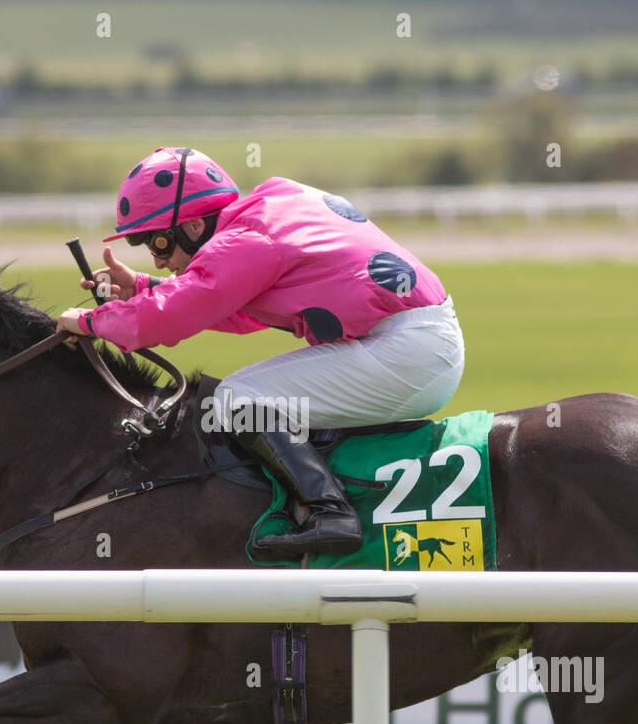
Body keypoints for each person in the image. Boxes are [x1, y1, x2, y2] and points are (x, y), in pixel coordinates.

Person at [58, 147, 464, 559]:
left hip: (407, 352)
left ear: (196, 226)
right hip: (414, 341)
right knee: (249, 397)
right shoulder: (266, 213)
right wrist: (144, 289)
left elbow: (173, 317)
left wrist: (91, 322)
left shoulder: (249, 240)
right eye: (148, 248)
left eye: (159, 242)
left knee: (237, 398)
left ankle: (332, 514)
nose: (160, 261)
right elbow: (229, 305)